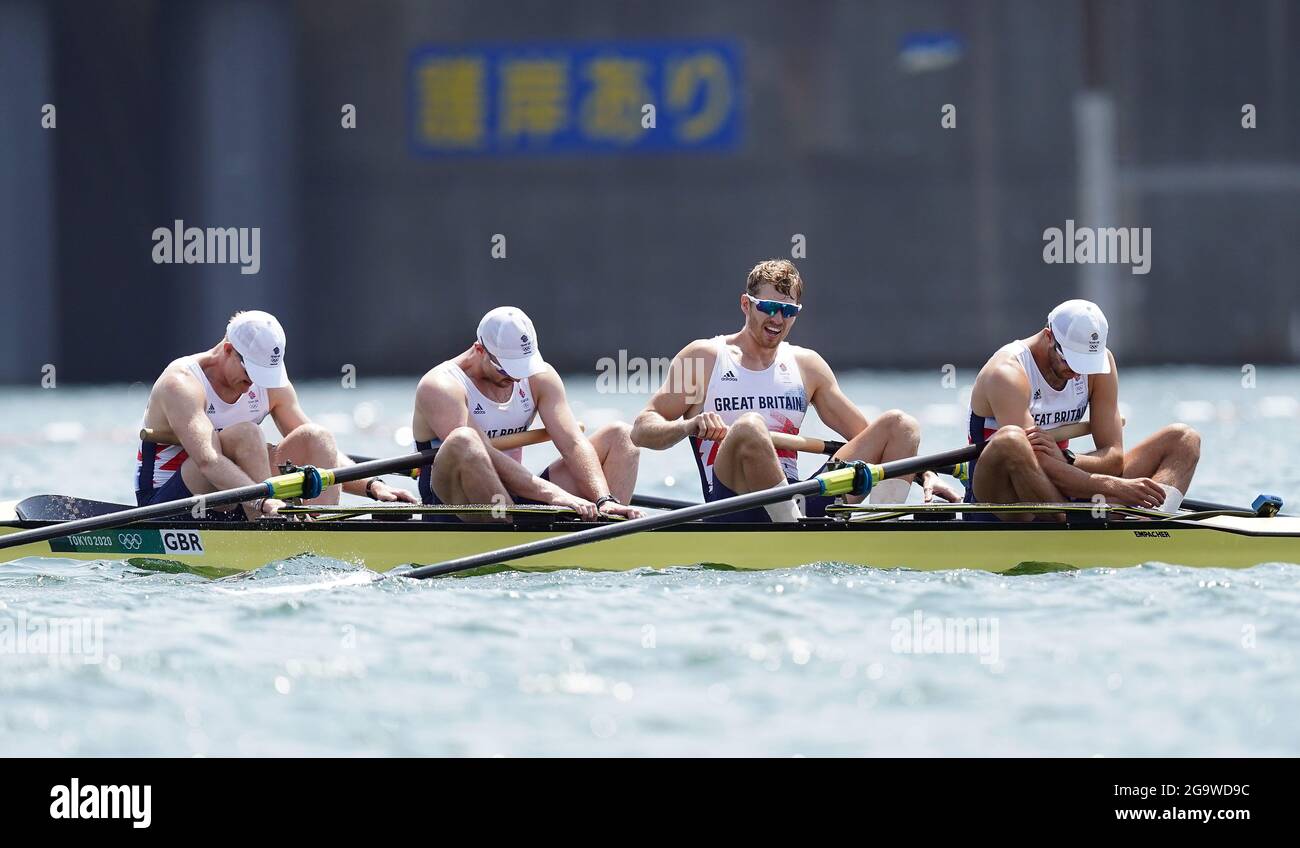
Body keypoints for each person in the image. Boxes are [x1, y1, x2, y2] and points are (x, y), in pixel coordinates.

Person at [631, 259, 957, 522]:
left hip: (799, 499)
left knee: (901, 425)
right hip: (733, 503)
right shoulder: (703, 358)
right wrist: (689, 425)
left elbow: (868, 436)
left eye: (788, 311)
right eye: (768, 307)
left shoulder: (806, 365)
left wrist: (922, 473)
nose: (777, 319)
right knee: (749, 427)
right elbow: (642, 428)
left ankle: (882, 527)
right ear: (746, 305)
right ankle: (794, 532)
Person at [136, 310, 414, 518]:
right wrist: (263, 500)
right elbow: (208, 461)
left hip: (245, 496)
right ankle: (266, 526)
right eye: (251, 372)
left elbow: (325, 455)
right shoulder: (182, 382)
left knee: (317, 437)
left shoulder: (268, 384)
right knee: (246, 434)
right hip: (168, 502)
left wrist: (374, 487)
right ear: (229, 350)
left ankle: (319, 529)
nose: (255, 383)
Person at [966, 299, 1200, 516]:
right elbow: (1039, 462)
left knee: (1184, 439)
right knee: (1012, 441)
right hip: (1006, 495)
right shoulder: (1007, 373)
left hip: (1066, 482)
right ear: (1049, 337)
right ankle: (1085, 517)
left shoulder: (1101, 366)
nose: (1078, 372)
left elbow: (1113, 457)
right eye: (1071, 360)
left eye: (1086, 363)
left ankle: (1147, 527)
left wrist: (1066, 459)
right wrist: (1115, 487)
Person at [412, 306, 642, 521]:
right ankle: (507, 533)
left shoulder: (539, 377)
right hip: (455, 501)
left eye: (523, 367)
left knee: (622, 436)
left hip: (515, 493)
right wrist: (552, 494)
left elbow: (572, 443)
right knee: (465, 440)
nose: (517, 378)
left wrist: (603, 498)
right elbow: (483, 451)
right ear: (480, 349)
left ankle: (608, 523)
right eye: (508, 369)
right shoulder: (440, 385)